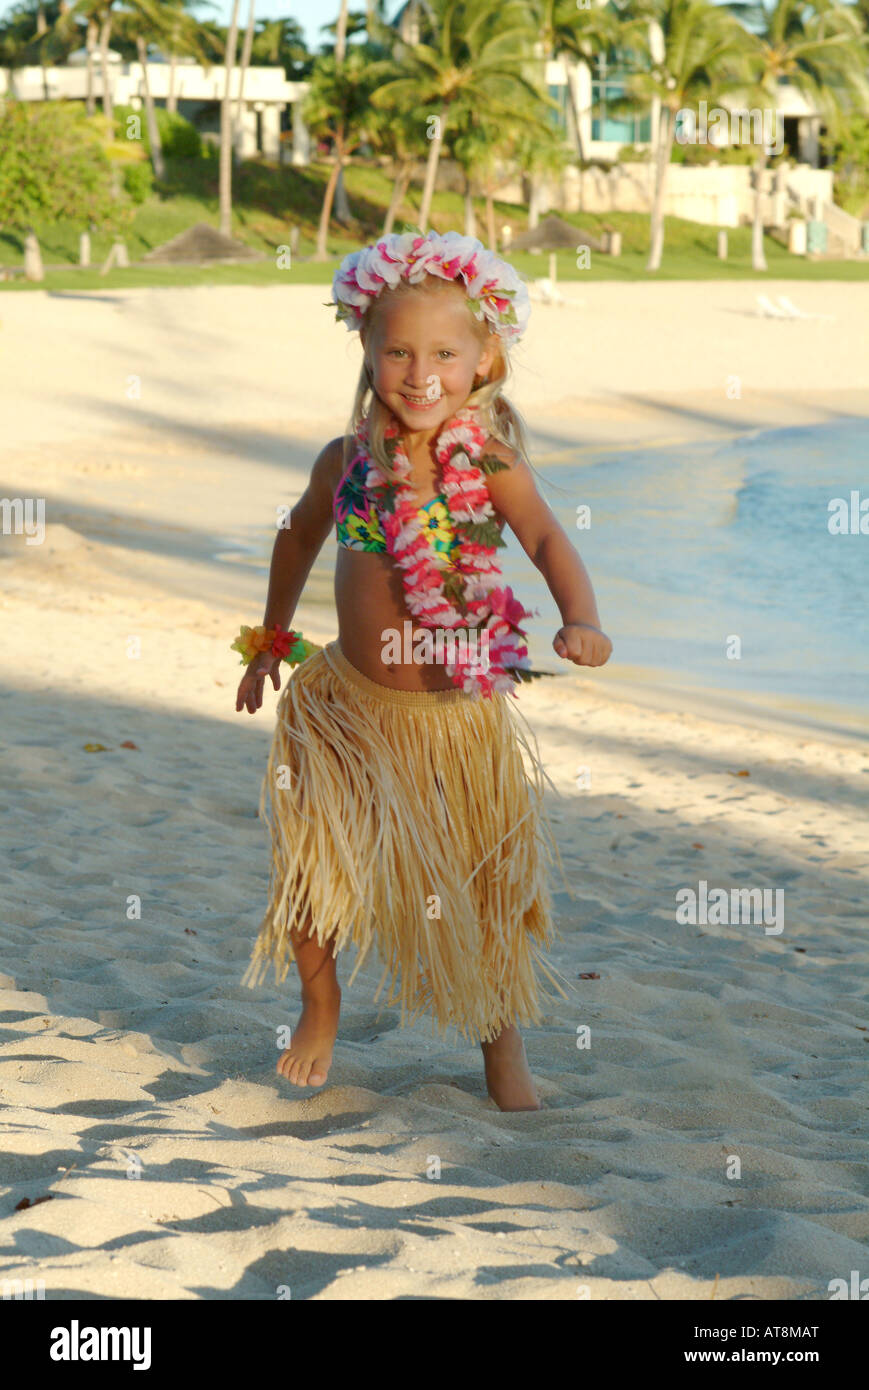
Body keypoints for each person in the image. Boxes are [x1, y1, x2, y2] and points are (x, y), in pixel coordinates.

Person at [233, 230, 612, 1111]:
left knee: (481, 885)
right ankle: (319, 1005)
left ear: (484, 361)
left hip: (452, 722)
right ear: (364, 349)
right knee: (311, 862)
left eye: (443, 352)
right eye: (397, 350)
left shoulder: (487, 464)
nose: (418, 372)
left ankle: (500, 1050)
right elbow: (295, 539)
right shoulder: (349, 464)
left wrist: (581, 618)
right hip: (342, 706)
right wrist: (269, 644)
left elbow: (550, 539)